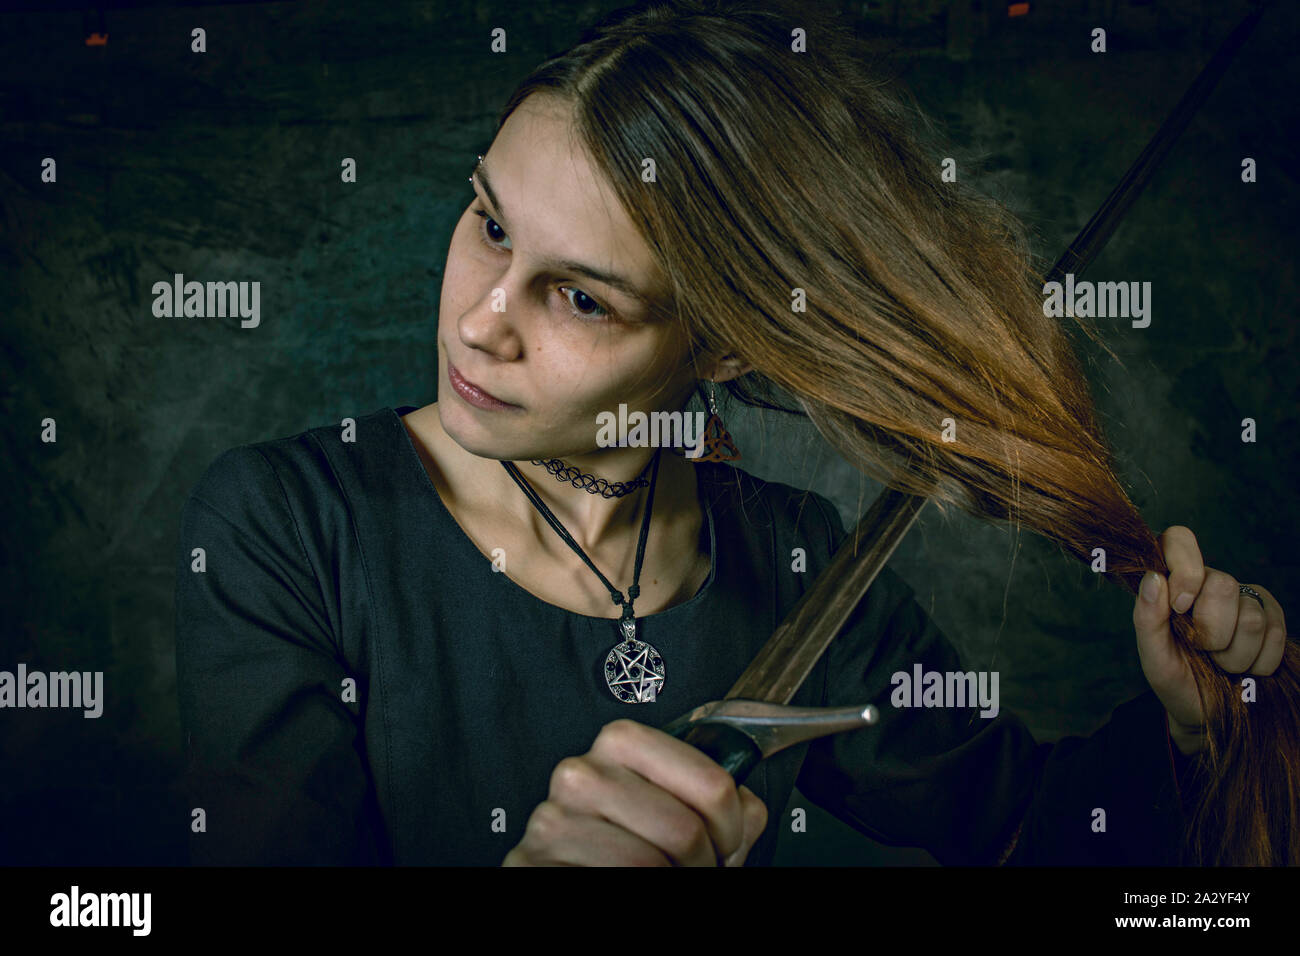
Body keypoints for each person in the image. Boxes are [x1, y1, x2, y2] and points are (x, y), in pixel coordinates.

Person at [174, 0, 1292, 867]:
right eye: (492, 224)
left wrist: (1192, 738)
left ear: (720, 348)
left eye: (581, 297)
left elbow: (1029, 834)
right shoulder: (287, 524)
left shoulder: (799, 566)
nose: (480, 320)